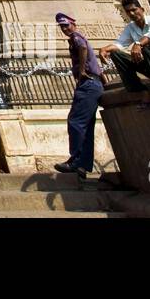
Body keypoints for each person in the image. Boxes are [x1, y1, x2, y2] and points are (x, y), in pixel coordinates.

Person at [53, 12, 104, 178]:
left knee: (76, 121)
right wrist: (104, 84)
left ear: (73, 24)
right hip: (95, 84)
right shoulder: (80, 38)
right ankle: (83, 165)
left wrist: (81, 71)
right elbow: (98, 66)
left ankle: (75, 161)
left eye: (66, 25)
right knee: (87, 126)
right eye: (62, 26)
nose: (65, 29)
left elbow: (82, 48)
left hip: (88, 85)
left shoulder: (76, 37)